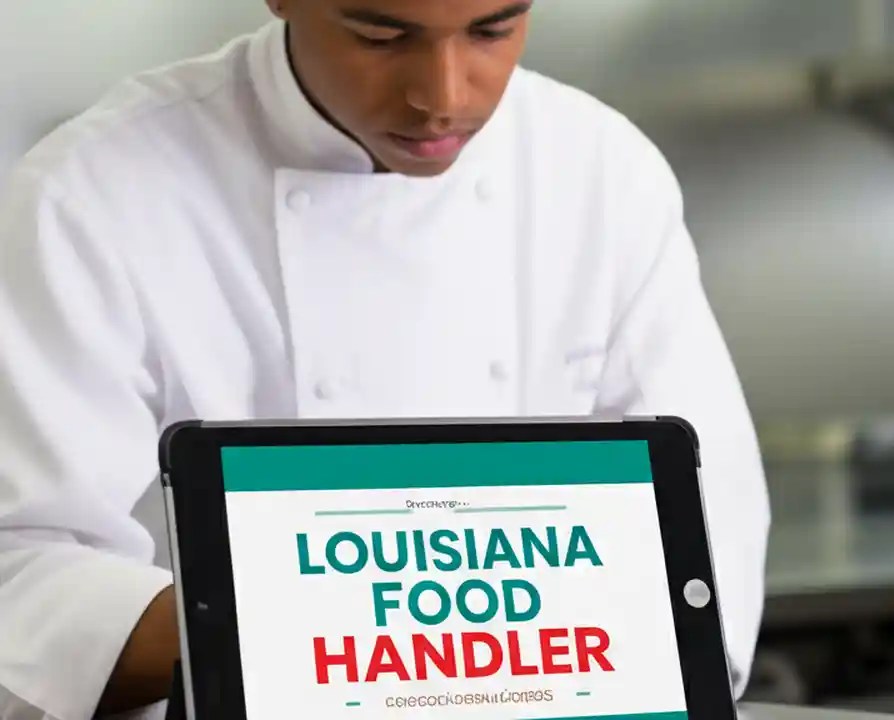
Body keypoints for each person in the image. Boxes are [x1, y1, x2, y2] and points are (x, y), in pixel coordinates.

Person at [0, 1, 771, 718]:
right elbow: (23, 577)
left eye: (493, 31)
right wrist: (311, 641)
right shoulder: (93, 193)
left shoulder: (599, 171)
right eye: (382, 36)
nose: (442, 95)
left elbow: (705, 538)